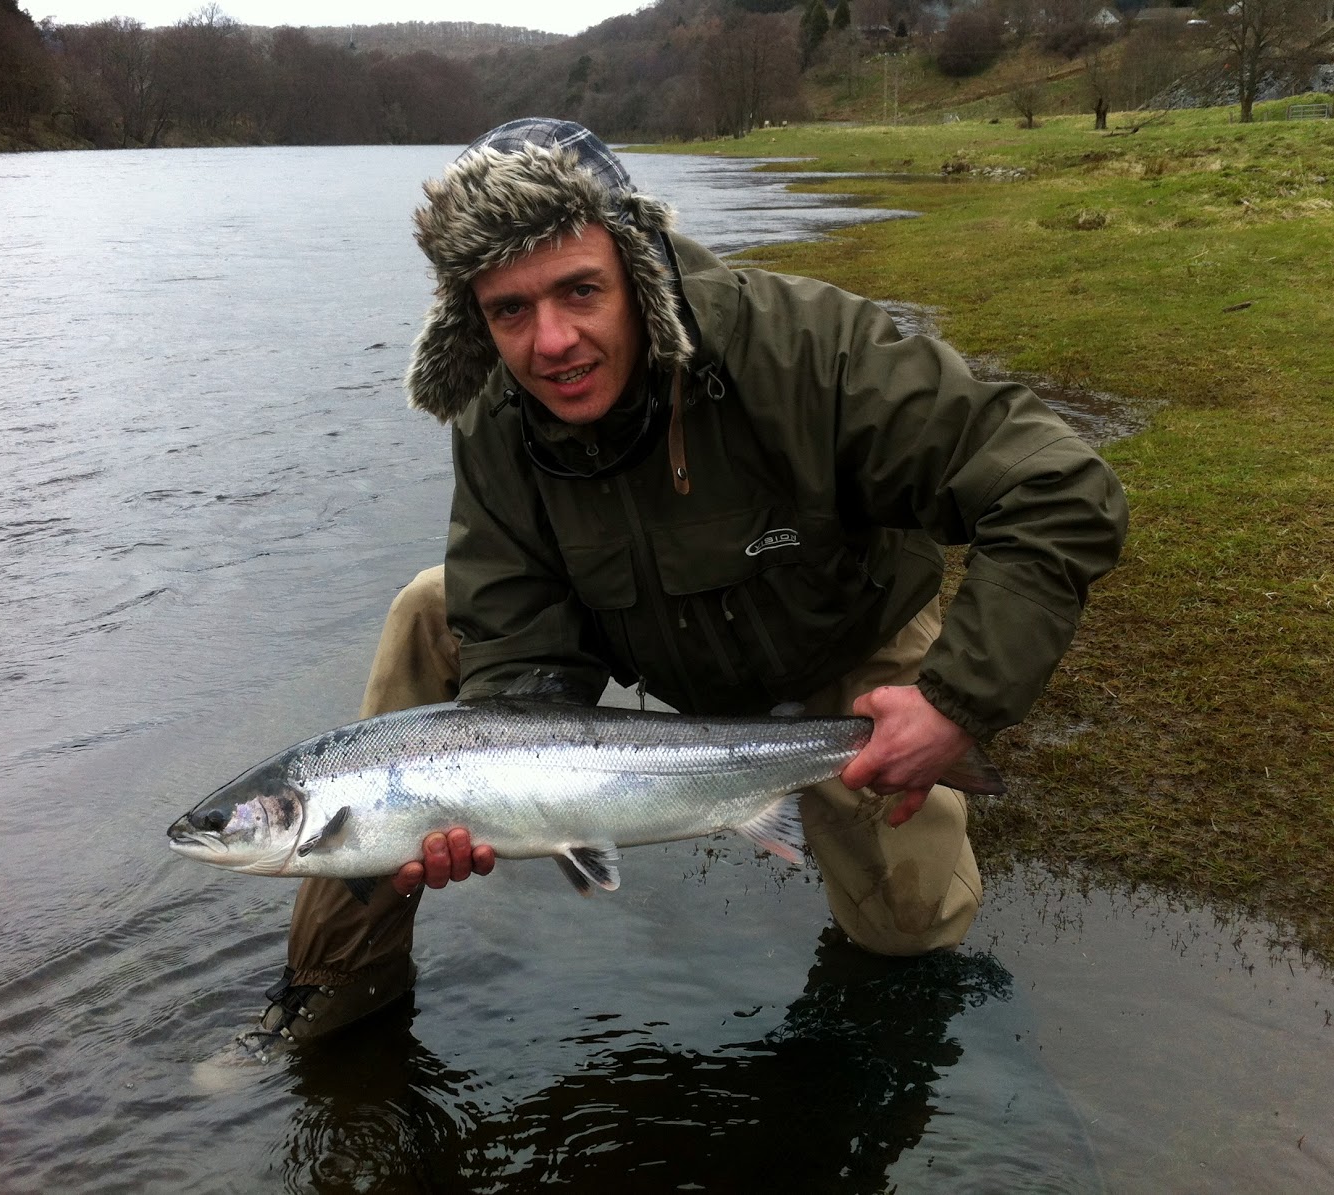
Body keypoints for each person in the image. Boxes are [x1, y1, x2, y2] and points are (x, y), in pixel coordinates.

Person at [240, 118, 1128, 1055]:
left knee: (910, 927)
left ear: (639, 268)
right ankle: (329, 986)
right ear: (475, 317)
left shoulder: (799, 348)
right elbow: (516, 637)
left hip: (839, 631)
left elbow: (1057, 486)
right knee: (430, 609)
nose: (551, 342)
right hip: (633, 627)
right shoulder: (495, 414)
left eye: (580, 290)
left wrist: (953, 701)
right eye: (509, 310)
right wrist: (476, 802)